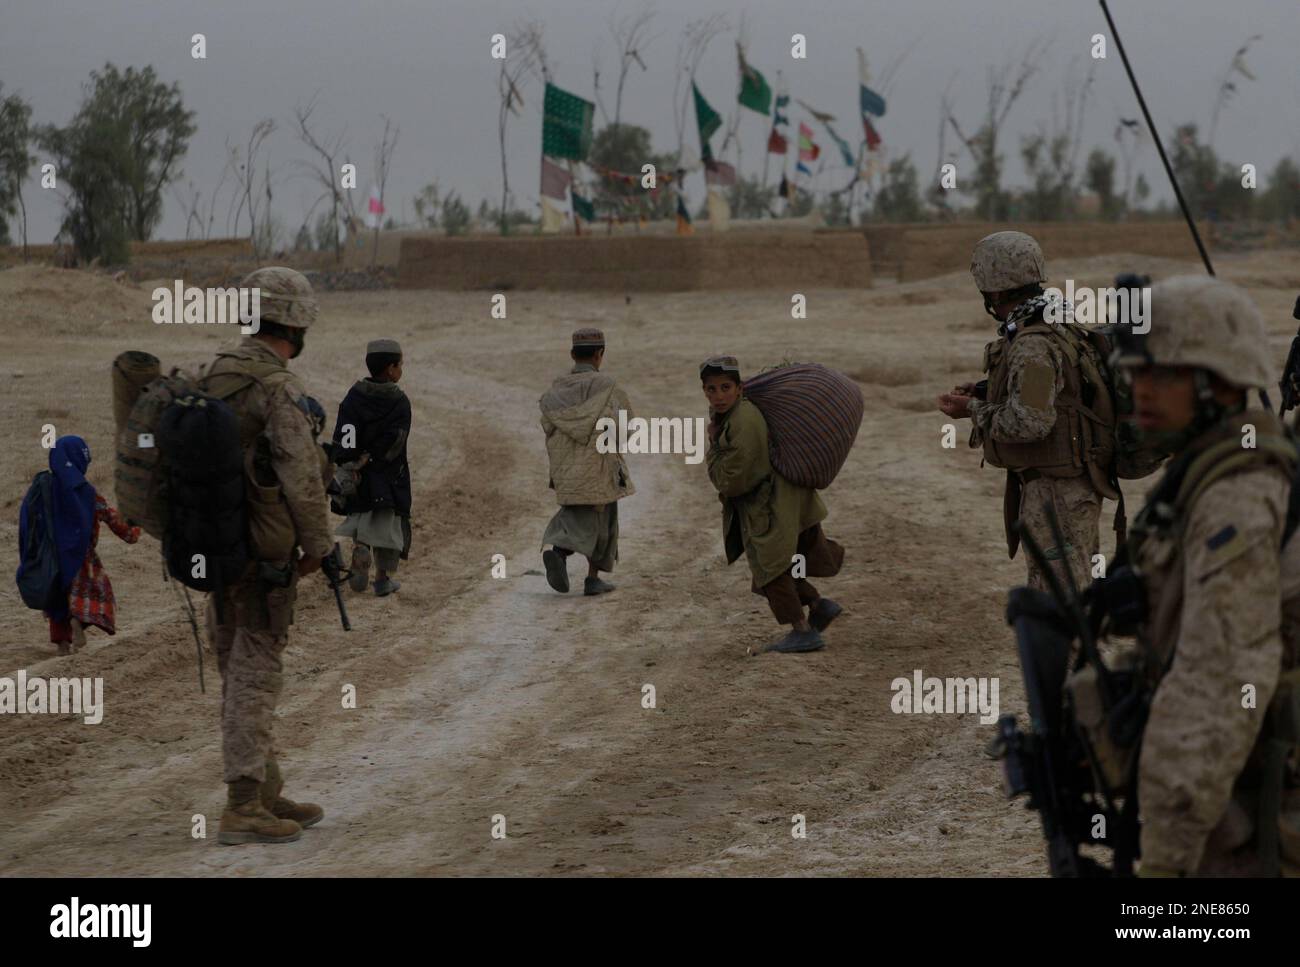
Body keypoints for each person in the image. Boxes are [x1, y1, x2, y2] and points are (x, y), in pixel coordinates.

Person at [1110, 275, 1300, 876]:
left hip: (1253, 807)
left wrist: (1163, 867)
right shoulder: (1203, 474)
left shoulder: (1237, 498)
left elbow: (1218, 684)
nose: (1140, 390)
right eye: (1136, 373)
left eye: (1162, 374)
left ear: (1217, 383)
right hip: (1238, 791)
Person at [200, 266, 331, 846]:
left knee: (237, 668)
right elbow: (302, 477)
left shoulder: (214, 375)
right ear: (294, 324)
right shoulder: (276, 388)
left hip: (215, 550)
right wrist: (319, 546)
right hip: (262, 554)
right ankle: (243, 804)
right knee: (256, 676)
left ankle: (267, 789)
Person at [938, 231, 1108, 593]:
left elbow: (1031, 421)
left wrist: (973, 409)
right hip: (1069, 487)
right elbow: (1056, 394)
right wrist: (985, 391)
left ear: (994, 290)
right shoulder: (1055, 323)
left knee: (1058, 599)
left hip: (1056, 494)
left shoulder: (1032, 344)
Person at [702, 356, 844, 654]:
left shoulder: (743, 421)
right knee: (782, 564)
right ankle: (819, 605)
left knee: (770, 571)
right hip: (791, 503)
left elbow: (734, 481)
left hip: (770, 507)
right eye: (711, 390)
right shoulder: (737, 415)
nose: (719, 396)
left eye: (725, 387)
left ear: (739, 388)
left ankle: (803, 631)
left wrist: (712, 450)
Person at [539, 328, 634, 596]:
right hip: (600, 468)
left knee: (576, 514)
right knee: (603, 522)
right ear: (599, 354)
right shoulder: (608, 388)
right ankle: (582, 569)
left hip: (567, 470)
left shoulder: (555, 392)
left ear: (572, 355)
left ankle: (571, 562)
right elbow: (625, 427)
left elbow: (547, 427)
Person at [42, 436, 140, 655]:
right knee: (92, 594)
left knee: (57, 600)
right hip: (81, 556)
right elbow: (111, 517)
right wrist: (133, 530)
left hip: (51, 557)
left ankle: (62, 645)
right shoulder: (86, 491)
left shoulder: (44, 489)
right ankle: (79, 620)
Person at [332, 339, 412, 597]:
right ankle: (382, 579)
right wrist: (376, 459)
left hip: (360, 475)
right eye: (400, 365)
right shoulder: (398, 401)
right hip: (389, 475)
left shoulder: (354, 396)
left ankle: (361, 548)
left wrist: (351, 461)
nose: (401, 370)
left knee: (362, 516)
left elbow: (345, 432)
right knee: (389, 527)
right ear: (390, 368)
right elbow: (396, 440)